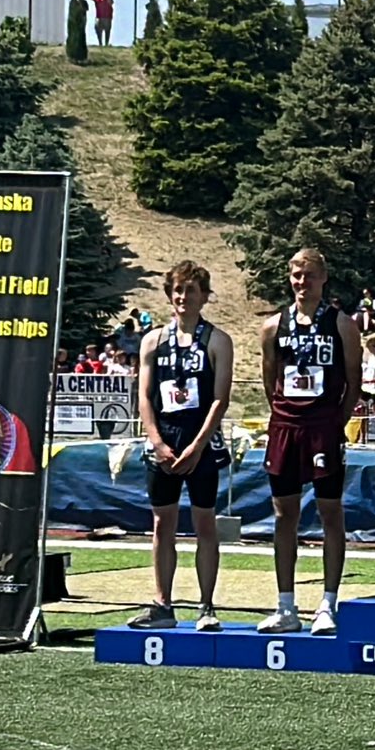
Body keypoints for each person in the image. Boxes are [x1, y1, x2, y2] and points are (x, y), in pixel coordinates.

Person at [257, 249, 362, 635]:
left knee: (330, 513)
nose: (303, 282)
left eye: (311, 275)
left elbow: (353, 381)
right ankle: (286, 605)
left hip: (324, 427)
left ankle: (327, 604)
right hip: (286, 426)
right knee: (284, 515)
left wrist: (337, 421)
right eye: (297, 275)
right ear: (290, 278)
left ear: (324, 278)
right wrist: (285, 414)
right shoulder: (273, 326)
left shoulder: (342, 324)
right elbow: (271, 381)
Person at [126, 261, 234, 632]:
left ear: (204, 296)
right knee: (162, 523)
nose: (183, 297)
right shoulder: (153, 340)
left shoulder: (217, 340)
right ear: (169, 295)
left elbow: (221, 398)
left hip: (201, 442)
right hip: (163, 441)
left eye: (191, 290)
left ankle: (206, 606)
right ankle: (162, 604)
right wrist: (156, 441)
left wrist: (199, 445)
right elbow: (143, 395)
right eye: (178, 290)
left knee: (205, 522)